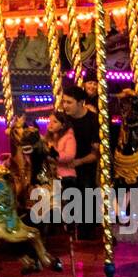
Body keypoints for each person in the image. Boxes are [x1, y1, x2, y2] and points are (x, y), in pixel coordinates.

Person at [59, 84, 101, 240]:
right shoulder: (64, 120)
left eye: (69, 102)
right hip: (65, 165)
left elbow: (96, 153)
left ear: (80, 102)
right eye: (64, 102)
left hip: (86, 164)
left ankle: (87, 230)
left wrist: (78, 162)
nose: (65, 106)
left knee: (86, 187)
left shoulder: (93, 121)